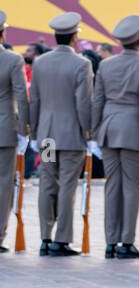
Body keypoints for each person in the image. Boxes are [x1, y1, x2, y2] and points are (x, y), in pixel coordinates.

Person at [29, 13, 94, 257]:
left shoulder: (41, 63)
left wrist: (34, 130)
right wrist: (88, 131)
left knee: (47, 182)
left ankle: (45, 236)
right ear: (75, 37)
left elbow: (34, 99)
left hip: (46, 134)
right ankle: (62, 239)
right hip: (71, 135)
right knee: (68, 185)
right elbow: (83, 103)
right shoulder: (82, 64)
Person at [93, 15, 139, 258]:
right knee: (132, 187)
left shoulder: (106, 65)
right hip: (133, 130)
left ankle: (111, 241)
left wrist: (95, 131)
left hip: (109, 128)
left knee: (112, 186)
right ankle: (127, 241)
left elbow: (98, 100)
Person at [0, 10, 30, 252]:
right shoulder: (12, 60)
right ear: (3, 33)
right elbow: (21, 95)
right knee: (3, 183)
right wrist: (25, 128)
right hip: (4, 129)